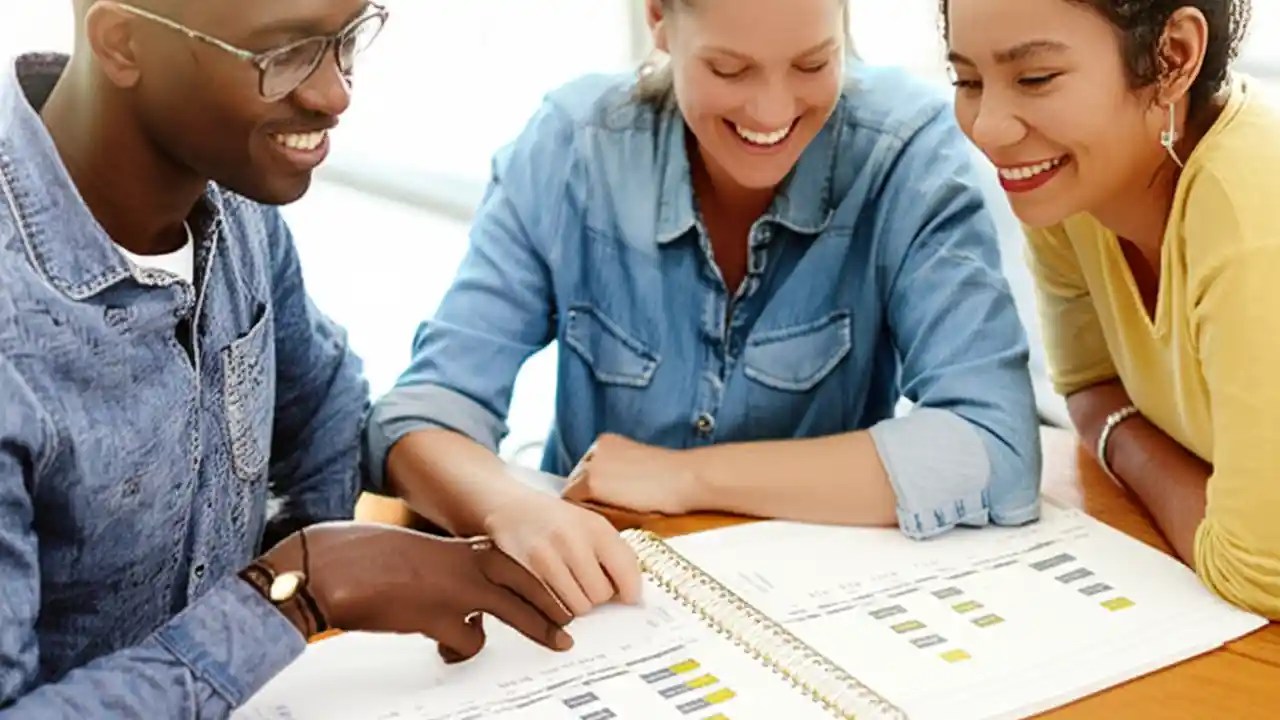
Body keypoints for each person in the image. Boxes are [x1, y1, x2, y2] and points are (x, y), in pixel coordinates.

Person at [367, 0, 1044, 618]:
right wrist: (512, 507)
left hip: (817, 609)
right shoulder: (573, 145)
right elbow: (421, 417)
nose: (771, 110)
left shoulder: (908, 154)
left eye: (813, 63)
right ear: (659, 18)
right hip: (601, 613)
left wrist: (683, 477)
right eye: (729, 69)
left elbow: (996, 447)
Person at [0, 1, 574, 716]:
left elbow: (326, 400)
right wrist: (294, 593)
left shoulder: (229, 197)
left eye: (346, 39)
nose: (335, 93)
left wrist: (304, 582)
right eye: (283, 54)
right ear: (122, 44)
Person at [943, 0, 1280, 617]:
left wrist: (1121, 439)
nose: (987, 127)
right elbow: (1087, 386)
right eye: (967, 80)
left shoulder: (1254, 220)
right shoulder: (1068, 188)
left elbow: (1262, 569)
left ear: (1172, 57)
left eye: (1036, 78)